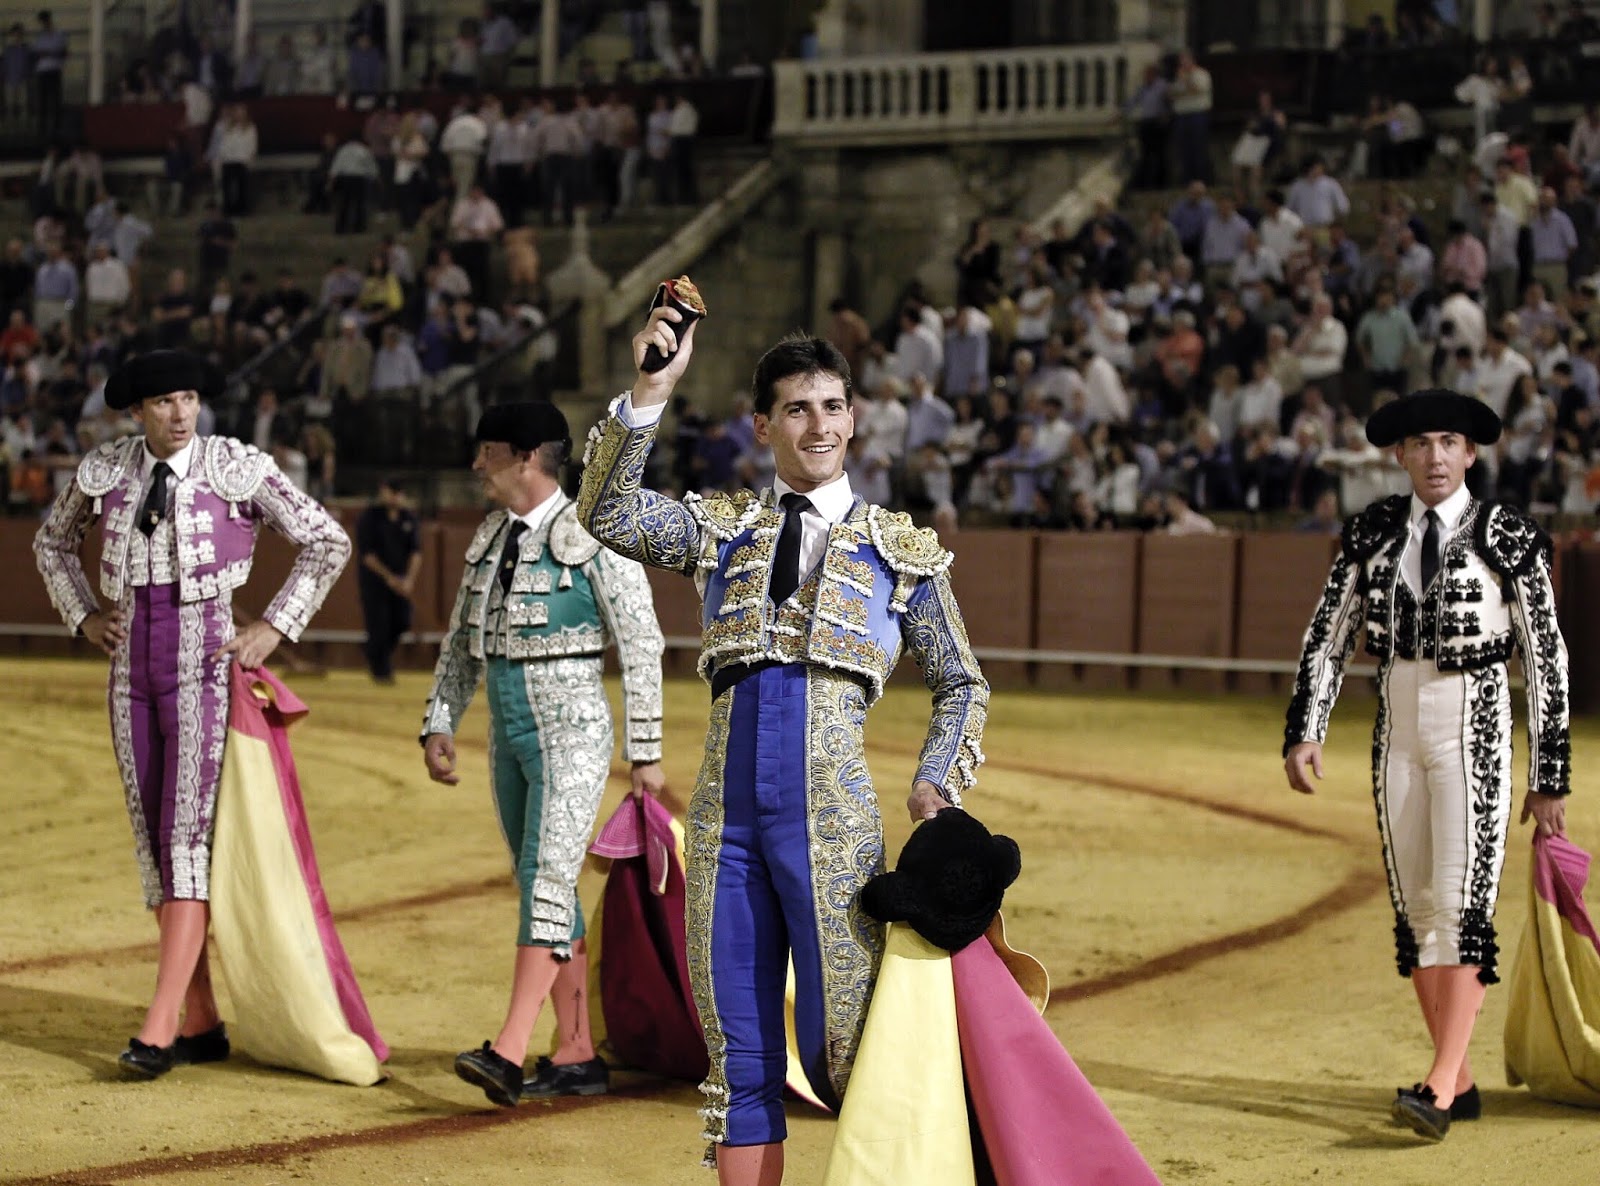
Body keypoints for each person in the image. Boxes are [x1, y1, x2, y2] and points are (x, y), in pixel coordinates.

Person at [576, 306, 989, 1183]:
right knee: (742, 1062)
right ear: (763, 425)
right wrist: (654, 385)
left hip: (834, 829)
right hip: (725, 828)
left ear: (854, 418)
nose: (821, 425)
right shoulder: (721, 529)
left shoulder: (898, 549)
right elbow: (606, 510)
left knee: (853, 1055)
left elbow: (962, 679)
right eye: (798, 409)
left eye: (834, 406)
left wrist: (935, 784)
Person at [32, 350, 351, 1077]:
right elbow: (50, 544)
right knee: (153, 841)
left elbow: (327, 540)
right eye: (165, 403)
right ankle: (201, 1015)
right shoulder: (106, 470)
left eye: (189, 398)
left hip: (203, 665)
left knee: (183, 841)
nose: (181, 414)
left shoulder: (235, 467)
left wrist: (274, 627)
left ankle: (161, 1023)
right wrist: (82, 616)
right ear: (137, 412)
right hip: (128, 669)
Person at [1282, 389, 1570, 1141]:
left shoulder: (1508, 536)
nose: (1436, 456)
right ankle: (1462, 1076)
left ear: (1470, 453)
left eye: (1450, 442)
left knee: (1460, 903)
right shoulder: (1374, 533)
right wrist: (1306, 727)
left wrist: (1549, 773)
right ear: (1400, 455)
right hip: (1397, 721)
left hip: (1474, 720)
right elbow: (1329, 632)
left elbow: (1546, 659)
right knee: (1416, 910)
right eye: (1422, 444)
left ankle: (1438, 1087)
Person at [422, 402, 666, 1108]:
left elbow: (643, 643)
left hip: (573, 730)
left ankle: (506, 1050)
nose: (476, 466)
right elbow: (460, 642)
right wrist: (439, 721)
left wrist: (643, 749)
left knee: (547, 878)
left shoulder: (594, 534)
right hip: (509, 735)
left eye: (487, 452)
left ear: (527, 458)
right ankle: (577, 1053)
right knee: (542, 883)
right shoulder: (492, 535)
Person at [356, 477, 421, 683]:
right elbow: (367, 555)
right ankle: (382, 671)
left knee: (402, 621)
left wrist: (408, 580)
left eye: (398, 492)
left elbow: (416, 552)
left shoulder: (408, 518)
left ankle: (374, 653)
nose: (394, 496)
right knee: (379, 624)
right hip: (374, 582)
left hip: (400, 582)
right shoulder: (369, 518)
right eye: (391, 491)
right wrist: (389, 578)